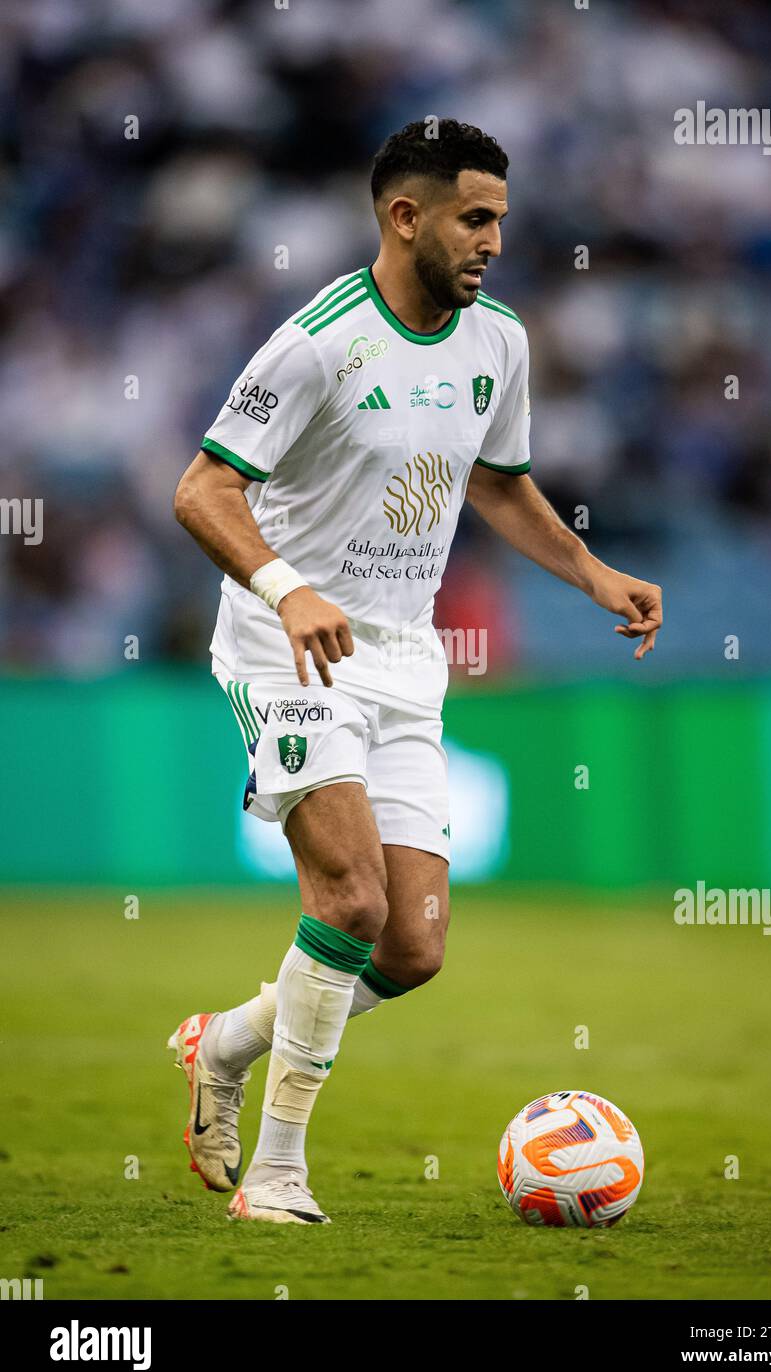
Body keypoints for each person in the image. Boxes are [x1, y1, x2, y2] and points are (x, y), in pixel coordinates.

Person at [170, 119, 662, 1225]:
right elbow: (202, 491)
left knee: (411, 943)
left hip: (401, 653)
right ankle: (279, 1174)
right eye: (473, 218)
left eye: (499, 219)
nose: (493, 240)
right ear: (405, 216)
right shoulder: (315, 342)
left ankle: (228, 1041)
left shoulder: (499, 343)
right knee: (344, 894)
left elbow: (496, 484)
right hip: (287, 641)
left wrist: (592, 574)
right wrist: (285, 586)